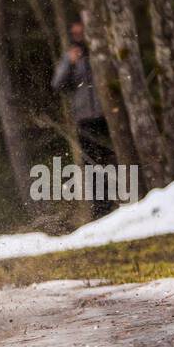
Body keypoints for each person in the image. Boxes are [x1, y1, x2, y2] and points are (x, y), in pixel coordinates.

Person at [52, 22, 117, 219]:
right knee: (91, 164)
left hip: (106, 116)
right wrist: (70, 63)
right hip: (84, 119)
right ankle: (99, 210)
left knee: (110, 160)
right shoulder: (71, 56)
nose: (79, 36)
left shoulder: (101, 52)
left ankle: (117, 200)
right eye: (75, 33)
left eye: (81, 32)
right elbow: (57, 84)